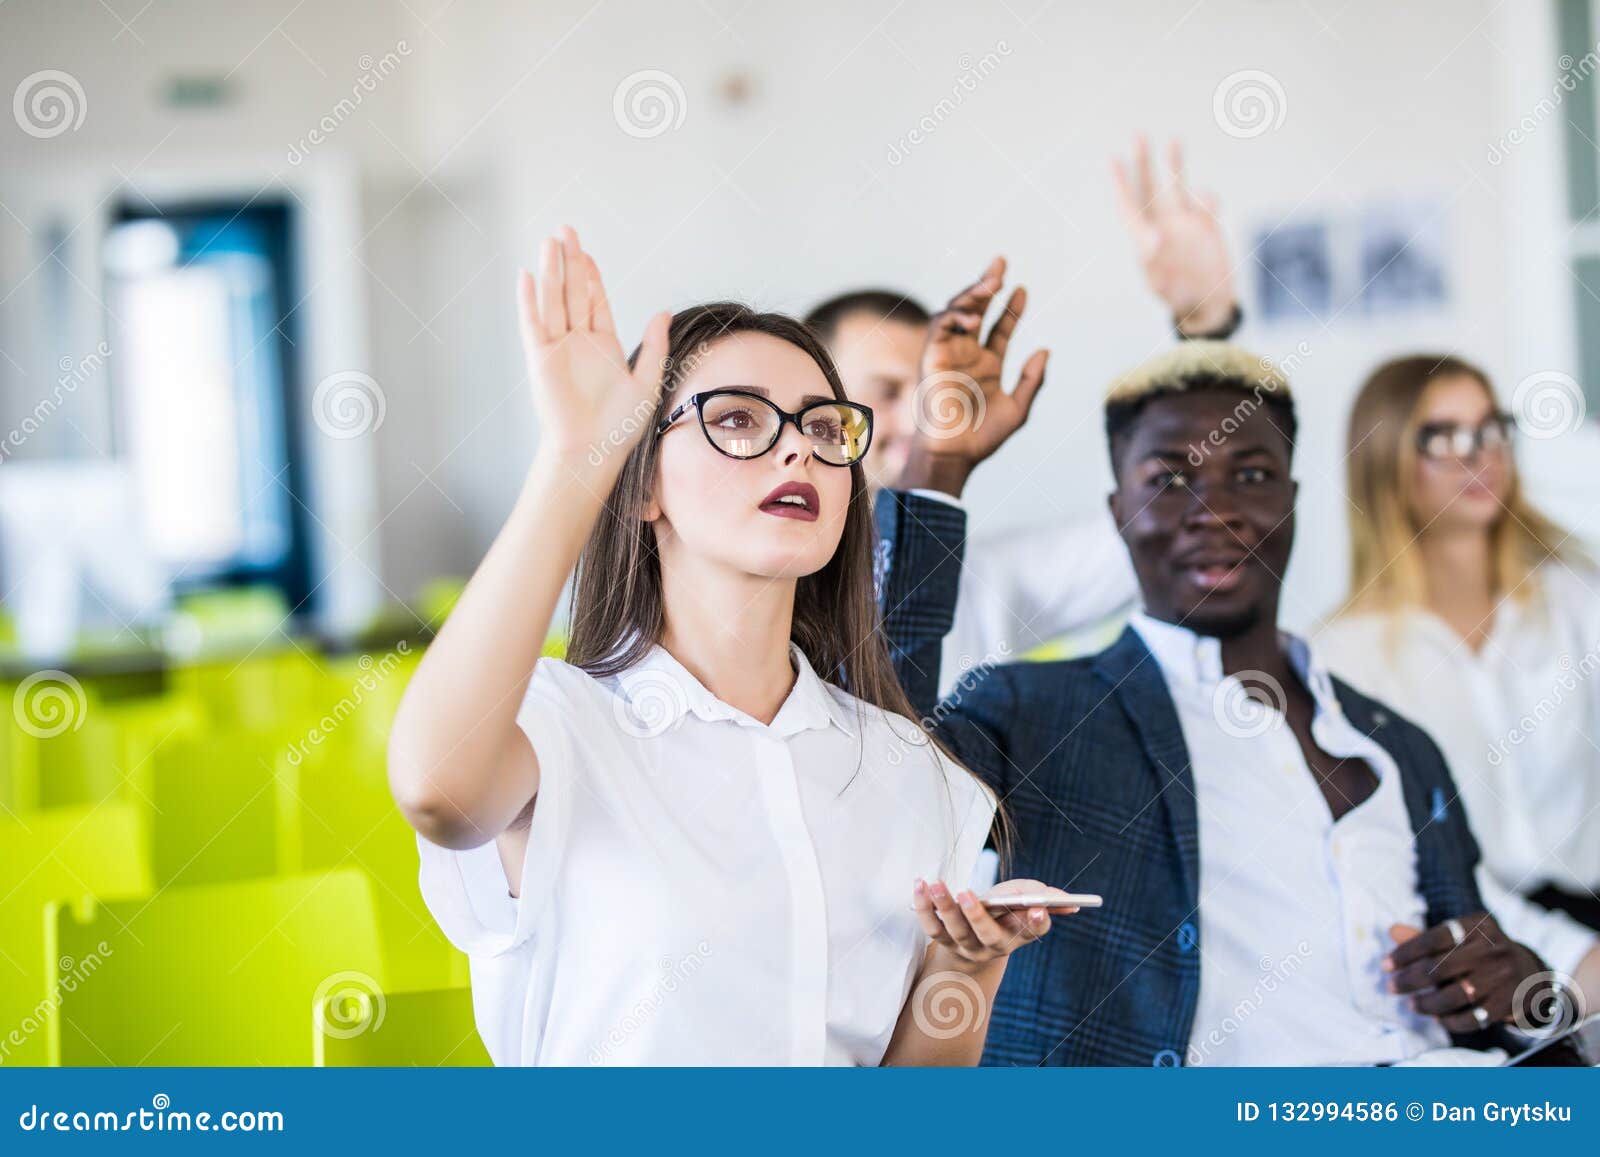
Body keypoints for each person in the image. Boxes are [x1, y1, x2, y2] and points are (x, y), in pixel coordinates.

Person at [388, 227, 1066, 1067]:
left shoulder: (913, 769)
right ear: (640, 484)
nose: (796, 447)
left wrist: (965, 965)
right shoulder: (562, 728)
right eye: (738, 418)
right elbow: (437, 791)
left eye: (824, 427)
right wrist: (578, 454)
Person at [873, 321, 1576, 1065]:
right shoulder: (1034, 713)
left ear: (1293, 498)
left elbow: (1483, 968)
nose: (1215, 510)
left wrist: (1531, 991)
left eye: (1250, 474)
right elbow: (881, 764)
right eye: (1171, 480)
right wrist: (934, 471)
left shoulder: (1397, 742)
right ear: (1119, 514)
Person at [808, 138, 1242, 682]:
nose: (922, 420)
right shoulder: (756, 589)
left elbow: (1168, 517)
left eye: (932, 391)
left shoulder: (990, 582)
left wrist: (1205, 327)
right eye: (887, 392)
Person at [1317, 355, 1600, 953]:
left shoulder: (1574, 599)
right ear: (1386, 461)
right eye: (1443, 436)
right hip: (1466, 941)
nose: (1479, 455)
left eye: (1491, 427)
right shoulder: (1340, 656)